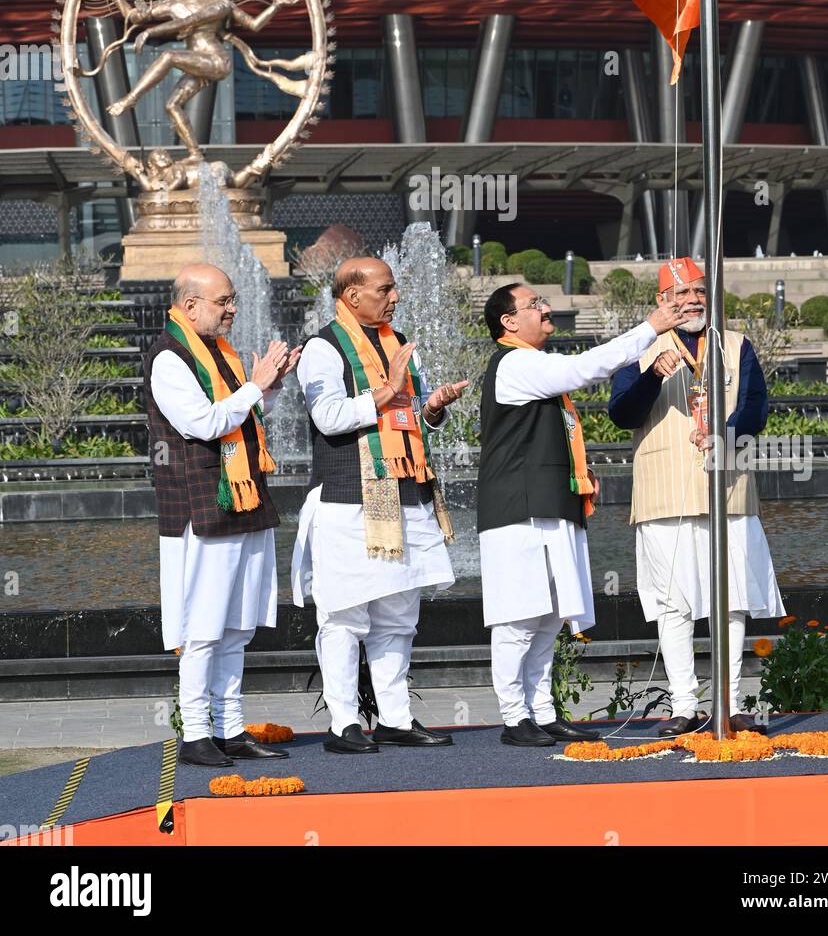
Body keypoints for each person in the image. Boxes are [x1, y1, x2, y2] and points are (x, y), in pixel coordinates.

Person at [478, 281, 684, 746]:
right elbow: (584, 369)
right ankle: (514, 717)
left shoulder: (531, 365)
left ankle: (543, 711)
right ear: (509, 322)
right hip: (518, 513)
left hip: (550, 506)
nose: (545, 309)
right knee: (518, 618)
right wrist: (650, 328)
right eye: (534, 305)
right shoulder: (515, 363)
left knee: (549, 617)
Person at [292, 256, 468, 754]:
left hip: (404, 489)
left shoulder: (399, 343)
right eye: (385, 289)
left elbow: (415, 414)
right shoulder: (322, 348)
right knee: (345, 616)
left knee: (398, 616)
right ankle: (343, 723)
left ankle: (395, 718)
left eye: (394, 288)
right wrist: (387, 390)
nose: (395, 297)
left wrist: (432, 408)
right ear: (351, 296)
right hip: (350, 499)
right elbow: (327, 417)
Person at [608, 257, 785, 736]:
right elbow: (621, 414)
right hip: (665, 493)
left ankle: (727, 701)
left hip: (727, 488)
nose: (692, 301)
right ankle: (684, 704)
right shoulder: (638, 346)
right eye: (681, 294)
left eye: (699, 292)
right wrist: (651, 377)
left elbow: (755, 408)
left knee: (732, 601)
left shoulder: (736, 345)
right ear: (662, 300)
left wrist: (724, 435)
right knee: (674, 605)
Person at [144, 263, 301, 766]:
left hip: (245, 498)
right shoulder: (169, 358)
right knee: (204, 627)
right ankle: (195, 733)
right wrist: (254, 387)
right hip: (201, 506)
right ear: (190, 306)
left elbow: (247, 414)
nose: (232, 309)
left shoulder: (218, 351)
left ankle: (231, 729)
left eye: (232, 299)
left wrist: (269, 385)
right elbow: (204, 424)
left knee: (237, 625)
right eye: (223, 301)